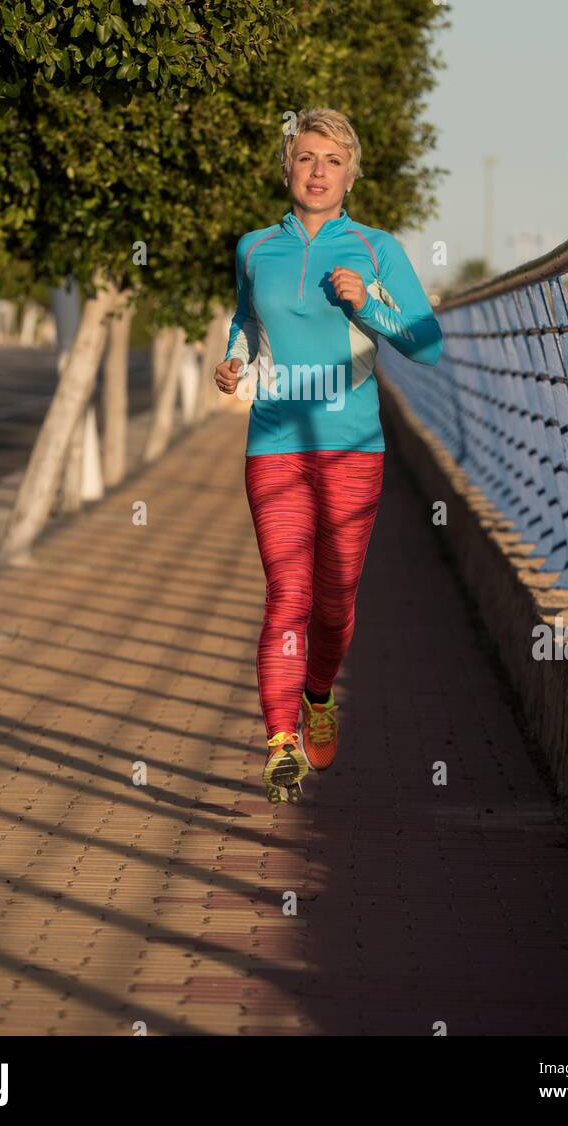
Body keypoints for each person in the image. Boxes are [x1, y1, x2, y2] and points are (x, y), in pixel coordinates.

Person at [214, 108, 443, 803]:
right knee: (286, 593)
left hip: (352, 448)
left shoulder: (377, 248)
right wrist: (231, 363)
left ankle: (318, 694)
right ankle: (280, 740)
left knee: (334, 602)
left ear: (351, 173)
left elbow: (426, 344)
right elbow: (245, 322)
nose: (317, 172)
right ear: (286, 167)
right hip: (274, 441)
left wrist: (364, 306)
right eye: (306, 157)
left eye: (332, 160)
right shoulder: (255, 247)